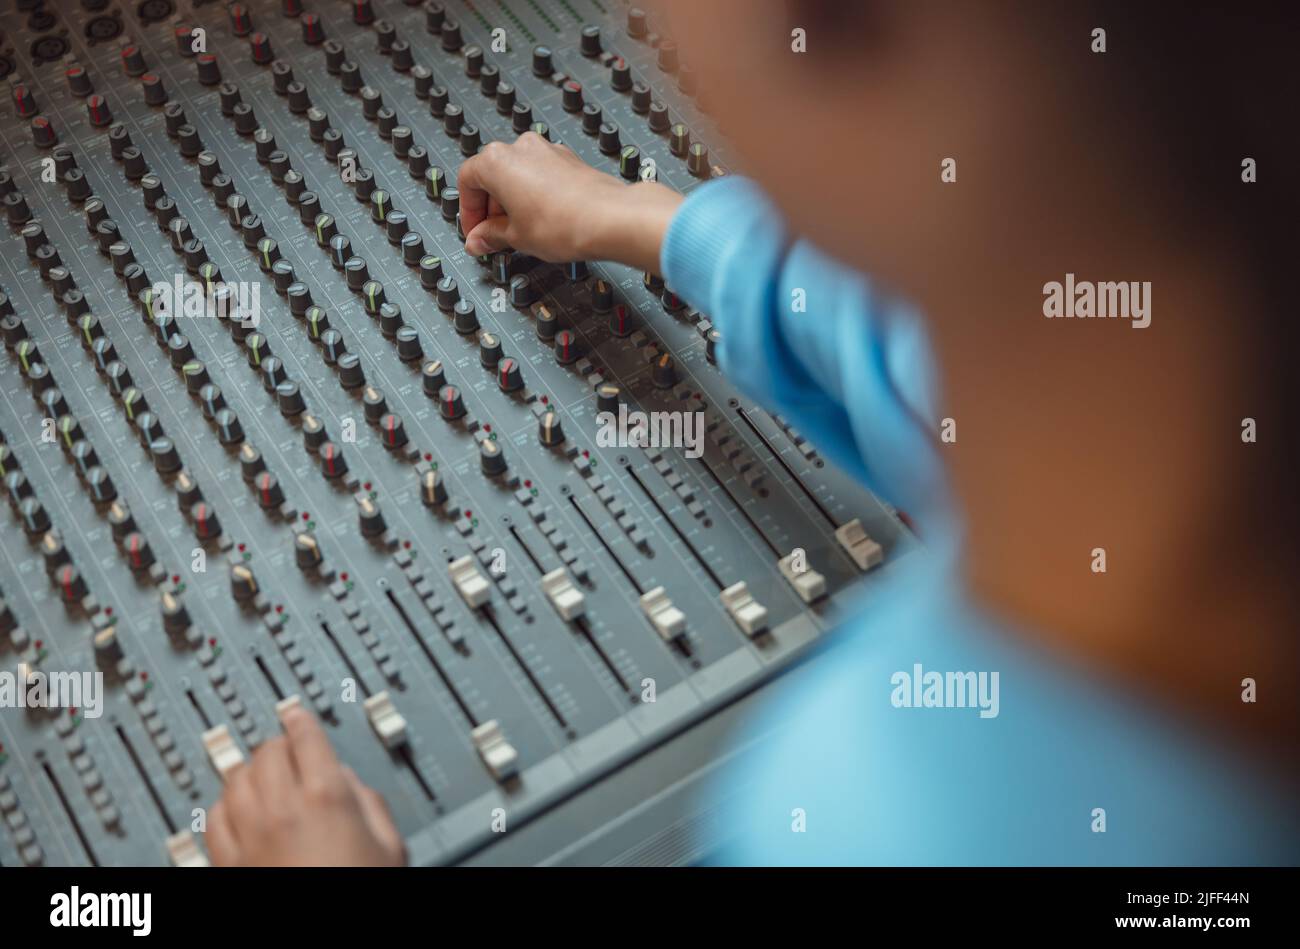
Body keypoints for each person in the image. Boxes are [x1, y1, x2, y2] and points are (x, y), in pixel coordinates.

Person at [208, 1, 1298, 865]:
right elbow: (945, 353)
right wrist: (660, 225)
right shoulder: (1152, 382)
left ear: (831, 33)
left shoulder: (862, 818)